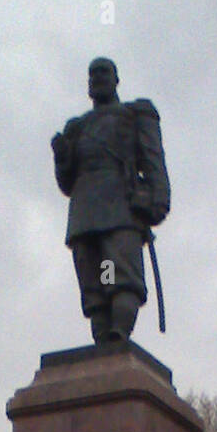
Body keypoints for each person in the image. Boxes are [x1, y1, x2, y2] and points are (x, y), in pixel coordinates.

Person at [51, 57, 169, 344]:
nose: (98, 78)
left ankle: (120, 331)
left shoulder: (134, 115)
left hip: (120, 208)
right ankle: (104, 338)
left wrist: (157, 201)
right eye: (92, 74)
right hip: (85, 213)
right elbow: (67, 184)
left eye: (104, 72)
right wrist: (61, 156)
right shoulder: (76, 128)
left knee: (120, 276)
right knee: (97, 283)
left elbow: (153, 161)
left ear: (117, 79)